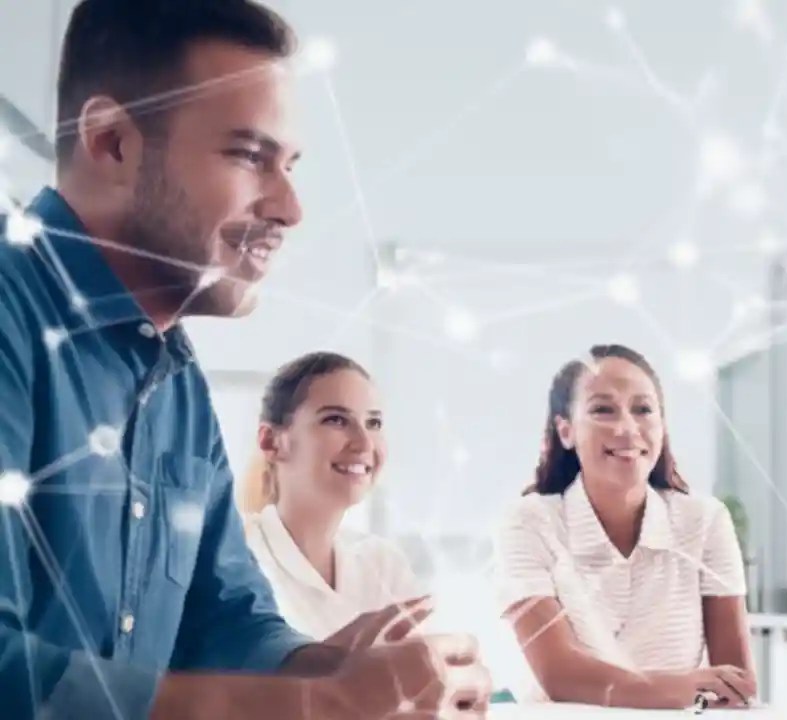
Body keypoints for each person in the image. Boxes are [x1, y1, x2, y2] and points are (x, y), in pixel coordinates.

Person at [0, 1, 487, 718]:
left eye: (289, 165)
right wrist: (318, 705)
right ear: (111, 143)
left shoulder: (177, 383)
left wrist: (331, 665)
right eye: (249, 156)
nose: (291, 208)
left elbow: (223, 619)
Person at [494, 344, 756, 708]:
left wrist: (682, 691)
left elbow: (737, 686)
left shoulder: (705, 521)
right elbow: (560, 677)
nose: (627, 428)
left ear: (661, 427)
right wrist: (685, 687)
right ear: (566, 431)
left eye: (643, 409)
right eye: (603, 410)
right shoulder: (529, 521)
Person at [238, 351, 423, 640]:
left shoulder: (383, 564)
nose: (364, 443)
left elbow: (435, 673)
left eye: (373, 423)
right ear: (271, 441)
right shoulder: (236, 558)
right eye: (336, 420)